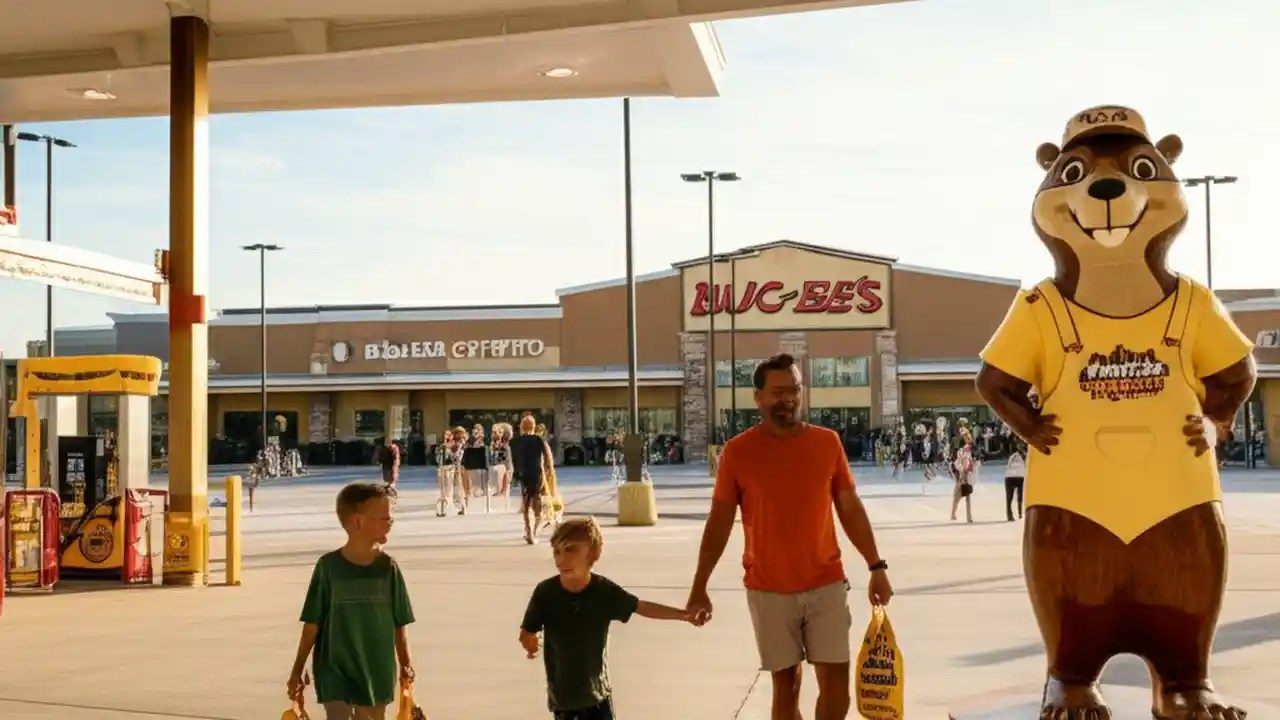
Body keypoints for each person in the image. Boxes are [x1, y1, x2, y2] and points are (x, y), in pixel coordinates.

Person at [685, 353, 894, 720]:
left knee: (836, 686)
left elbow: (850, 508)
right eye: (778, 391)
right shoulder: (737, 452)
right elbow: (718, 522)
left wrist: (876, 566)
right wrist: (699, 585)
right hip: (768, 589)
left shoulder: (827, 443)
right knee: (786, 685)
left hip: (826, 583)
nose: (788, 399)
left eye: (794, 390)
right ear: (759, 398)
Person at [519, 517, 695, 719]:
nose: (561, 559)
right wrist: (529, 642)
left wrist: (682, 615)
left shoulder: (604, 592)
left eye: (571, 550)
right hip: (564, 701)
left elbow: (640, 606)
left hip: (598, 697)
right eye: (556, 552)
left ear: (593, 554)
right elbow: (527, 631)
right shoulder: (545, 593)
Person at [287, 483, 416, 719]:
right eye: (384, 517)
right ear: (358, 522)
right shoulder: (328, 568)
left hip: (377, 670)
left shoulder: (388, 568)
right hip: (334, 669)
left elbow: (400, 624)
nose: (390, 521)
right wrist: (298, 669)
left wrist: (406, 665)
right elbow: (312, 625)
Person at [512, 415, 555, 544]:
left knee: (526, 504)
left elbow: (514, 460)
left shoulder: (515, 441)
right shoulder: (538, 440)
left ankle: (528, 530)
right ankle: (534, 532)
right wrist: (549, 471)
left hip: (524, 475)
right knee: (538, 503)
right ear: (534, 426)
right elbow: (547, 457)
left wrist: (515, 474)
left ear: (521, 426)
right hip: (537, 474)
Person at [1005, 442, 1027, 521]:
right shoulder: (1025, 455)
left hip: (1010, 477)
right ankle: (1020, 514)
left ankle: (1010, 515)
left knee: (1009, 498)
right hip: (1020, 476)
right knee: (1020, 497)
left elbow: (1008, 466)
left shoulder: (1012, 456)